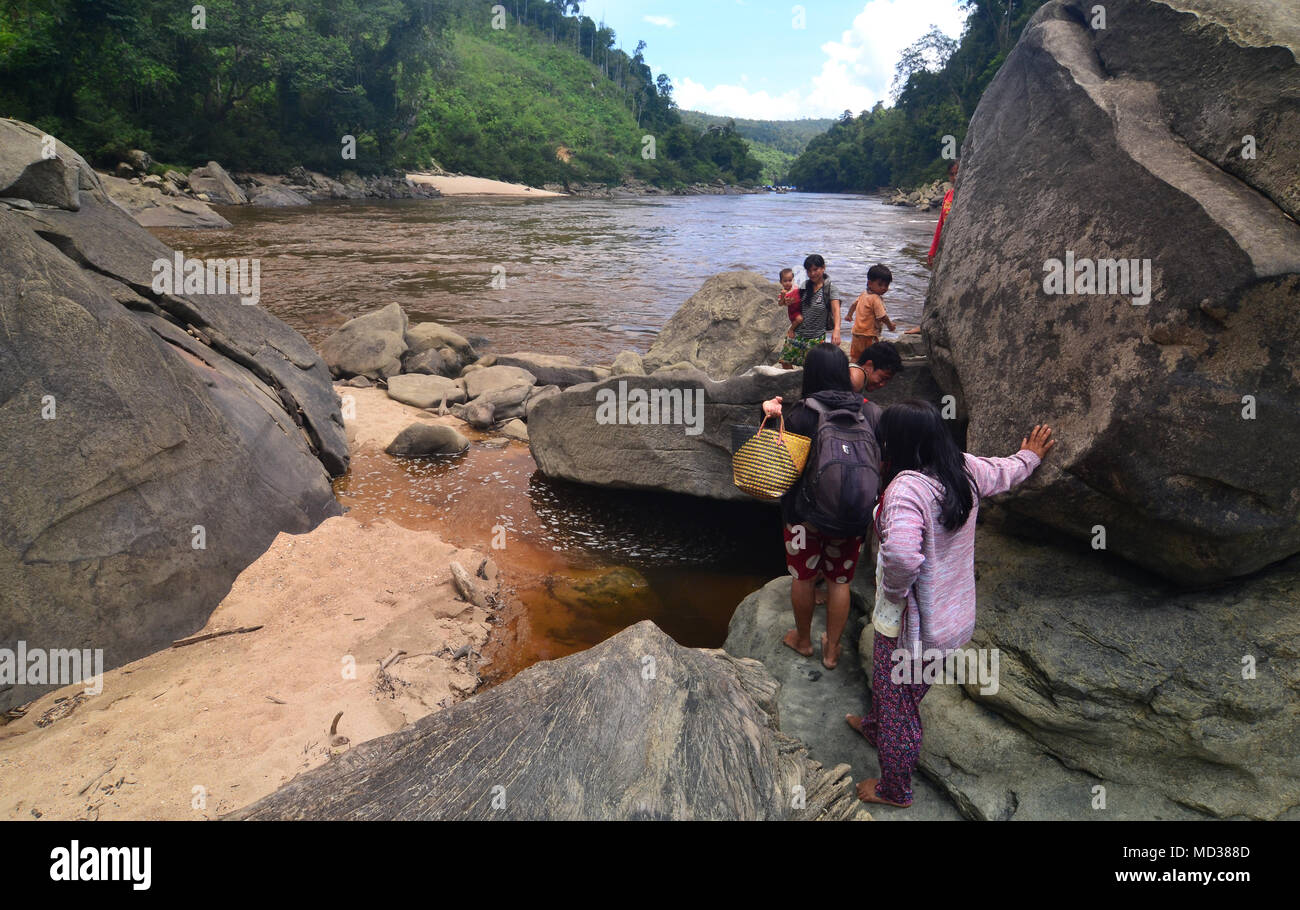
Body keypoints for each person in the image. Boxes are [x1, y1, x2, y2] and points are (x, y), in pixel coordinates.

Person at [846, 400, 1055, 808]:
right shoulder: (961, 468)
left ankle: (895, 788)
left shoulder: (907, 488)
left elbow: (903, 557)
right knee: (901, 692)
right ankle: (876, 724)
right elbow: (1004, 472)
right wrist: (1030, 456)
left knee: (901, 710)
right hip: (952, 618)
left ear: (898, 443)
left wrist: (893, 592)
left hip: (912, 629)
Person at [760, 344, 879, 670]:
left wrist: (768, 415)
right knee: (839, 581)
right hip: (851, 516)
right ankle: (831, 649)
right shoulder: (868, 412)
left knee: (803, 576)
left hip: (804, 517)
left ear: (810, 374)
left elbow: (776, 459)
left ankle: (802, 640)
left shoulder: (801, 413)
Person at [779, 254, 843, 368]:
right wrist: (789, 301)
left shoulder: (830, 289)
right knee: (784, 359)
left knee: (811, 367)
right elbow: (796, 303)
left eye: (815, 269)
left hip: (815, 337)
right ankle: (792, 383)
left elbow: (836, 310)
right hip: (798, 333)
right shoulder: (805, 285)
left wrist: (837, 330)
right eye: (809, 271)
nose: (812, 274)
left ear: (823, 267)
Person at [845, 265, 897, 363]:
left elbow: (853, 305)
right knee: (870, 358)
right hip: (869, 335)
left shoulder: (864, 294)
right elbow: (882, 316)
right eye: (880, 284)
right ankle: (866, 376)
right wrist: (890, 326)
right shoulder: (875, 298)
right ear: (870, 283)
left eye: (886, 285)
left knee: (855, 357)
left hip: (856, 333)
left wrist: (849, 315)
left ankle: (851, 374)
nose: (883, 288)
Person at [927, 160, 958, 268]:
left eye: (957, 173)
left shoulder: (965, 193)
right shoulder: (948, 195)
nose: (955, 177)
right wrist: (932, 251)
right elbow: (941, 224)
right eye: (951, 174)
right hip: (947, 244)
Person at [776, 268, 803, 369]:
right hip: (793, 313)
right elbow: (780, 304)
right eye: (785, 281)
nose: (788, 283)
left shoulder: (796, 288)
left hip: (799, 309)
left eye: (790, 280)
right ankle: (791, 329)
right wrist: (783, 297)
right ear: (781, 282)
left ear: (793, 280)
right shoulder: (783, 292)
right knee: (800, 319)